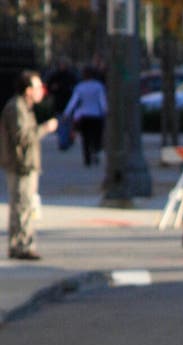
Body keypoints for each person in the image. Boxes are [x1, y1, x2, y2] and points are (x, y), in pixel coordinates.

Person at [0, 70, 57, 260]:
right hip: (20, 166)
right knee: (23, 206)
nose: (41, 90)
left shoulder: (24, 107)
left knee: (25, 205)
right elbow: (22, 136)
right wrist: (45, 128)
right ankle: (21, 246)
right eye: (38, 86)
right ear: (28, 90)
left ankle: (21, 244)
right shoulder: (17, 107)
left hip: (25, 165)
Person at [62, 64, 107, 166]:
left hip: (84, 115)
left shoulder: (80, 87)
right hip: (96, 115)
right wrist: (105, 111)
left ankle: (87, 158)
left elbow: (73, 101)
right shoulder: (98, 86)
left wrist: (66, 113)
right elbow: (102, 101)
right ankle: (95, 151)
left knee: (85, 137)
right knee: (96, 136)